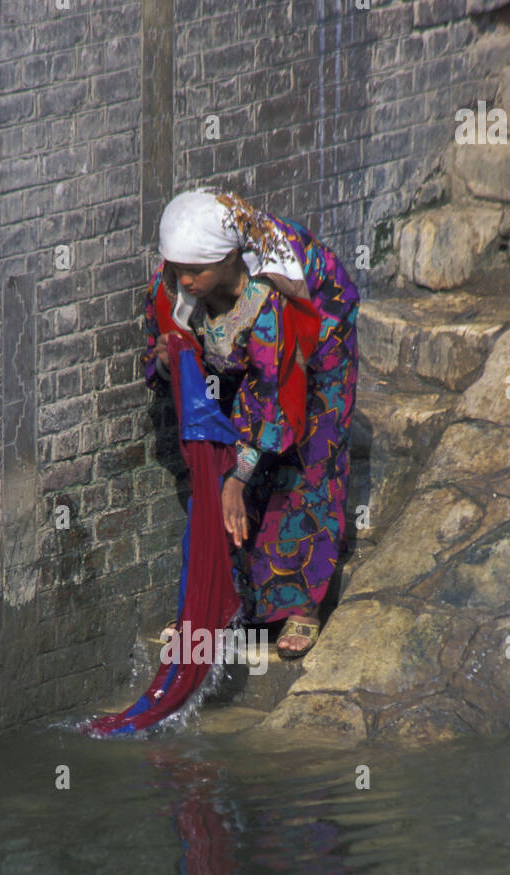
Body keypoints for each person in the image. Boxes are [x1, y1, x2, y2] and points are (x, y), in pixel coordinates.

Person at [142, 188, 360, 658]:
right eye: (177, 268)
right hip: (250, 358)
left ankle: (302, 604)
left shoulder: (268, 298)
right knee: (227, 473)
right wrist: (166, 362)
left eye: (196, 271)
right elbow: (161, 345)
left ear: (228, 259)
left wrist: (239, 477)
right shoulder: (174, 279)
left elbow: (275, 400)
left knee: (306, 458)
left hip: (315, 343)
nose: (185, 279)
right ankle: (232, 604)